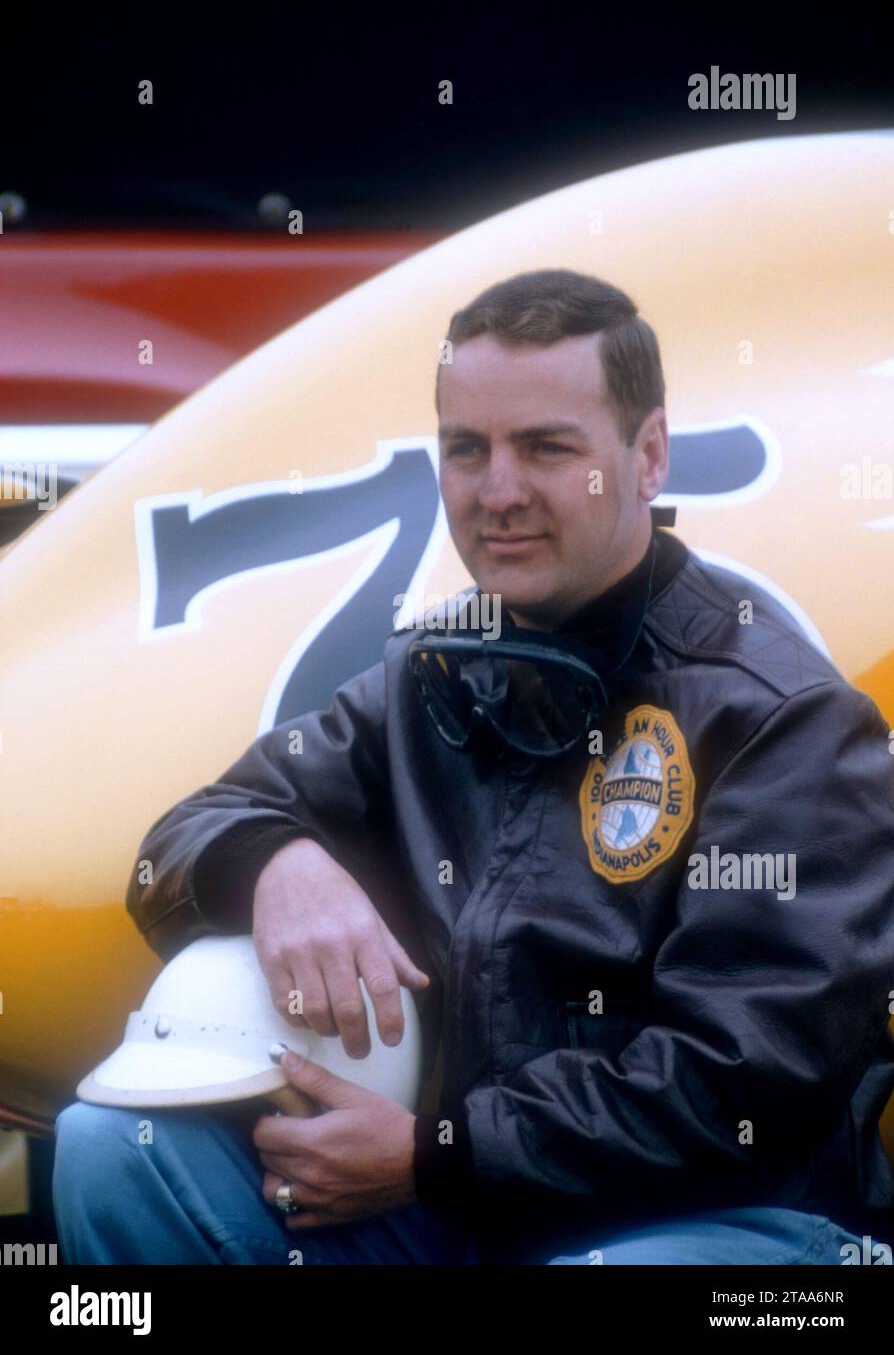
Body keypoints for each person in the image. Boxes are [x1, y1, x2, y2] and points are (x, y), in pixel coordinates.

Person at [53, 268, 894, 1265]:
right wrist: (273, 860)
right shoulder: (428, 678)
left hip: (732, 1229)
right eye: (466, 450)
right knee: (109, 1149)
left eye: (547, 448)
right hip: (460, 1208)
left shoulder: (782, 719)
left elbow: (743, 1080)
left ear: (650, 454)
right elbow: (178, 846)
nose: (498, 493)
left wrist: (435, 1154)